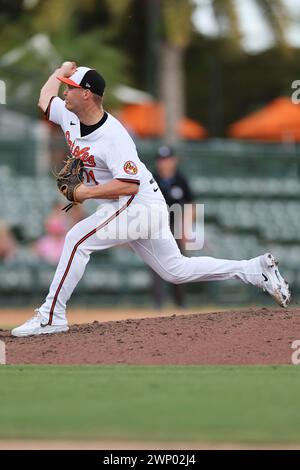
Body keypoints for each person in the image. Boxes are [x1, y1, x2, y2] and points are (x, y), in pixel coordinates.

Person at [11, 61, 291, 337]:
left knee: (76, 240)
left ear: (86, 94)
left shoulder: (114, 137)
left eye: (70, 88)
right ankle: (254, 269)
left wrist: (85, 192)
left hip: (138, 206)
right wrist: (60, 73)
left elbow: (130, 184)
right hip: (136, 207)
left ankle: (51, 316)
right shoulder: (69, 115)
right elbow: (44, 99)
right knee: (176, 271)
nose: (64, 92)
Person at [151, 145, 194, 308]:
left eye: (167, 159)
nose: (165, 163)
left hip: (176, 225)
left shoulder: (180, 179)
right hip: (155, 226)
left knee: (179, 263)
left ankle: (180, 302)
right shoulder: (152, 179)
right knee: (155, 264)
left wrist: (186, 228)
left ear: (174, 161)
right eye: (161, 160)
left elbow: (191, 204)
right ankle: (158, 304)